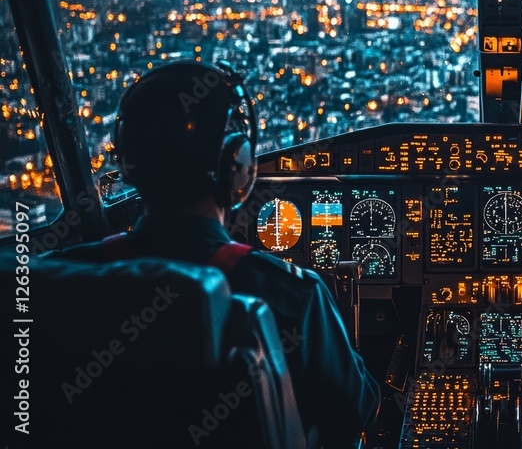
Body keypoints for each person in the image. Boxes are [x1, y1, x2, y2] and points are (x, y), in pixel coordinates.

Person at [51, 61, 380, 448]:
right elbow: (360, 410)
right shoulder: (293, 295)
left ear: (126, 161)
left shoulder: (60, 282)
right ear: (235, 168)